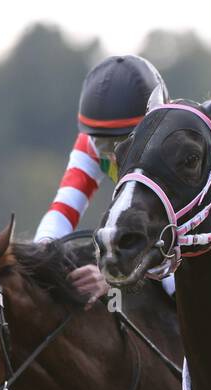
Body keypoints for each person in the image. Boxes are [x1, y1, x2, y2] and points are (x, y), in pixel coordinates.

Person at [35, 55, 169, 302]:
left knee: (172, 285)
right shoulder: (90, 143)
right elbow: (62, 211)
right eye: (102, 142)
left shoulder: (171, 144)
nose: (111, 154)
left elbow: (172, 243)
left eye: (120, 141)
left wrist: (111, 277)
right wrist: (40, 259)